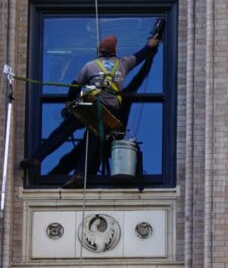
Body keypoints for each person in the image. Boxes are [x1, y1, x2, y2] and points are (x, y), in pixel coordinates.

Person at [25, 19, 165, 183]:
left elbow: (74, 87)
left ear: (99, 51)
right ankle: (79, 174)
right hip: (110, 111)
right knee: (94, 136)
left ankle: (37, 158)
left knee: (64, 130)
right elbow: (142, 56)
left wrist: (69, 104)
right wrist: (151, 45)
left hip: (91, 105)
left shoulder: (90, 66)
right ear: (114, 51)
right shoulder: (123, 64)